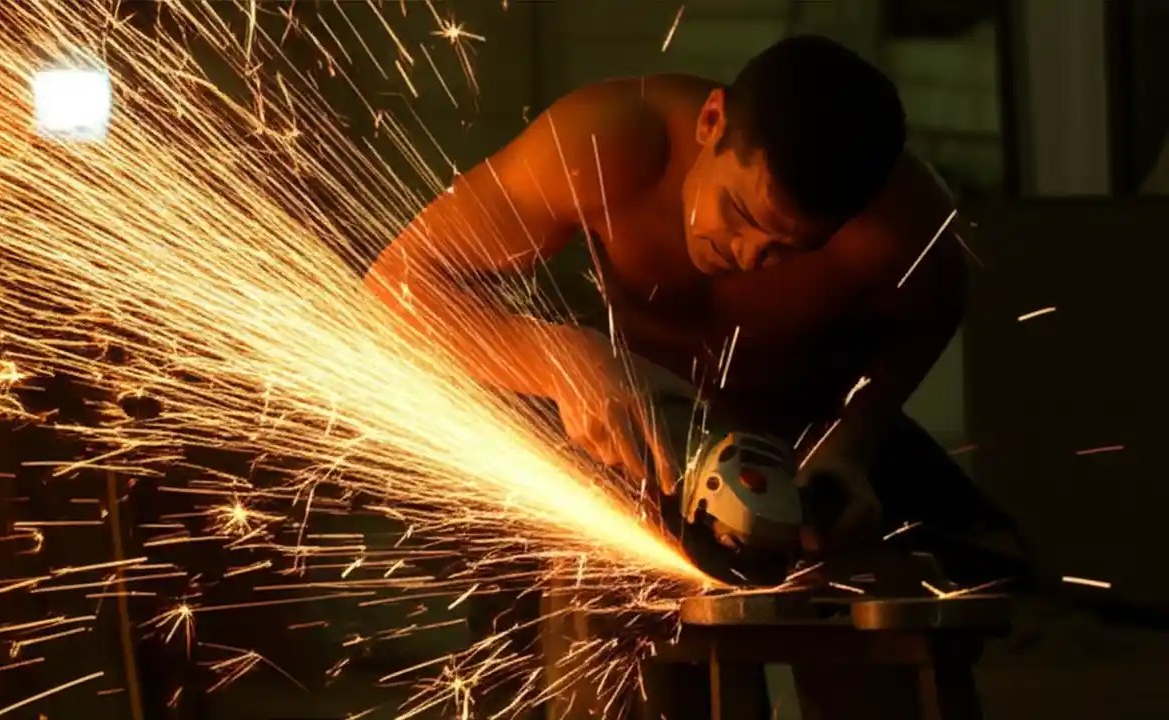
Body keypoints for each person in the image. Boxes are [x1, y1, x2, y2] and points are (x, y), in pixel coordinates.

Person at [366, 35, 1007, 562]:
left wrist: (853, 441)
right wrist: (564, 362)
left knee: (899, 635)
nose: (750, 256)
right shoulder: (607, 143)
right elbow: (397, 285)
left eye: (790, 247)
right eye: (738, 211)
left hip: (805, 452)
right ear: (711, 122)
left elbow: (930, 318)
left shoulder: (907, 229)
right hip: (634, 440)